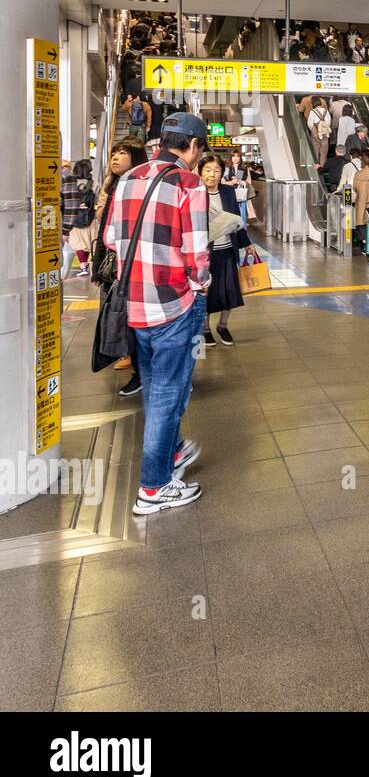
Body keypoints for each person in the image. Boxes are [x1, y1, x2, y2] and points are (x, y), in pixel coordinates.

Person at [102, 111, 210, 515]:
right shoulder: (189, 183)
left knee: (156, 385)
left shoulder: (129, 178)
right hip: (173, 303)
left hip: (135, 303)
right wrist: (200, 284)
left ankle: (172, 451)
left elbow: (112, 238)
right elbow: (197, 254)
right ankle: (154, 487)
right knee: (169, 390)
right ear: (193, 146)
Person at [92, 139, 150, 393]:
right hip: (115, 267)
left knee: (135, 322)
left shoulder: (138, 187)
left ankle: (142, 372)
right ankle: (135, 365)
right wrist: (97, 266)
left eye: (122, 153)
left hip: (133, 267)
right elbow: (106, 228)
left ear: (136, 158)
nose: (115, 158)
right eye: (113, 153)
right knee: (123, 320)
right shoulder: (113, 186)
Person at [197, 152, 250, 346]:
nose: (212, 174)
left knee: (230, 291)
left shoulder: (228, 192)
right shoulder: (195, 193)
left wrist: (247, 244)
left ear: (222, 173)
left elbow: (237, 220)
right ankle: (205, 328)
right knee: (207, 293)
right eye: (208, 170)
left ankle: (223, 325)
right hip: (205, 254)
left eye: (217, 170)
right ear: (200, 172)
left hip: (228, 249)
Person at [64, 159, 97, 278]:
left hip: (75, 219)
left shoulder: (70, 182)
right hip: (90, 218)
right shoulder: (94, 183)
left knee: (78, 244)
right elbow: (97, 199)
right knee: (90, 242)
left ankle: (83, 267)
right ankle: (91, 267)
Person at [352, 152, 369, 238]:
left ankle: (364, 244)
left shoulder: (358, 174)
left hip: (361, 202)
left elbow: (354, 188)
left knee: (361, 223)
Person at [222, 150, 254, 226]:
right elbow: (222, 181)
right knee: (230, 212)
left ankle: (242, 229)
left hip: (240, 193)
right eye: (233, 156)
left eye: (237, 156)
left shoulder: (243, 168)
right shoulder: (227, 168)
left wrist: (240, 182)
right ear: (231, 157)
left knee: (241, 212)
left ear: (240, 158)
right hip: (229, 193)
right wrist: (231, 182)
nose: (235, 158)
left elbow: (249, 181)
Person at [306, 97, 332, 167]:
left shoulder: (313, 112)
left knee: (315, 150)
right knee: (324, 152)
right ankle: (322, 167)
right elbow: (329, 122)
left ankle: (316, 167)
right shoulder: (326, 111)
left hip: (316, 133)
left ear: (313, 103)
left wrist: (314, 131)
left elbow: (310, 124)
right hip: (325, 133)